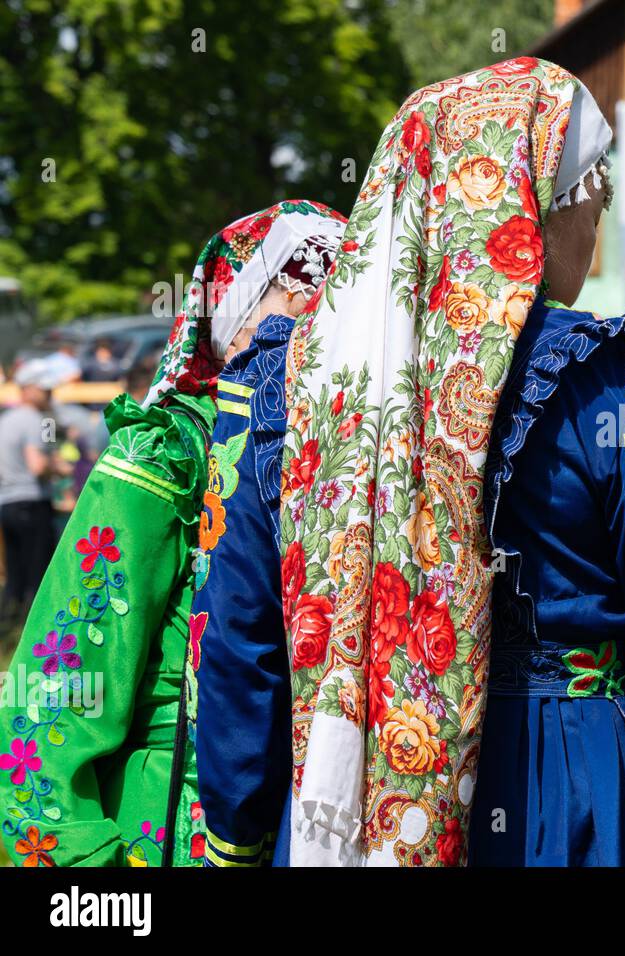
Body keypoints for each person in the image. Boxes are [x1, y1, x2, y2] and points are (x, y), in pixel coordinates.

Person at [277, 56, 625, 867]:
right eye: (593, 186)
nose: (604, 205)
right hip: (571, 774)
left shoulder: (333, 379)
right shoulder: (614, 376)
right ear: (531, 203)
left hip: (395, 774)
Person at [0, 200, 341, 867]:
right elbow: (56, 694)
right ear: (233, 318)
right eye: (298, 289)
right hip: (168, 833)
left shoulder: (339, 462)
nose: (319, 314)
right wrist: (85, 871)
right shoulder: (165, 458)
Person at [189, 204, 345, 867]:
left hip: (291, 788)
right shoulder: (167, 441)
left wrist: (232, 842)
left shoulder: (257, 401)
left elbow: (238, 639)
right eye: (289, 290)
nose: (306, 308)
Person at [0, 359, 66, 629]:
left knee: (14, 576)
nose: (49, 394)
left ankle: (7, 633)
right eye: (44, 389)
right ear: (27, 388)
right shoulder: (39, 420)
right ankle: (35, 635)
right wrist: (60, 468)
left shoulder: (7, 418)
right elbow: (39, 464)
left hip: (6, 504)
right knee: (39, 577)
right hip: (32, 502)